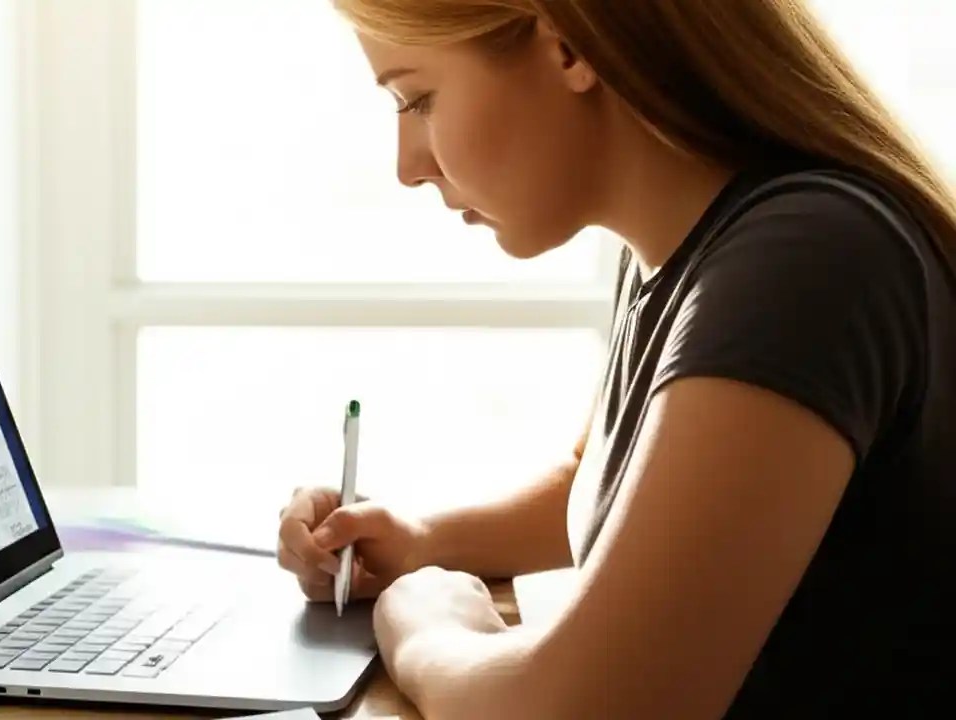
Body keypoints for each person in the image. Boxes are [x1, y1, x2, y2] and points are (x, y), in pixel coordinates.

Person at [274, 1, 956, 718]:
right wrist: (415, 542)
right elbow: (612, 486)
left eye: (418, 100)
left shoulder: (802, 266)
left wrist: (428, 631)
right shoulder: (692, 247)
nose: (406, 167)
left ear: (568, 48)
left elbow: (585, 710)